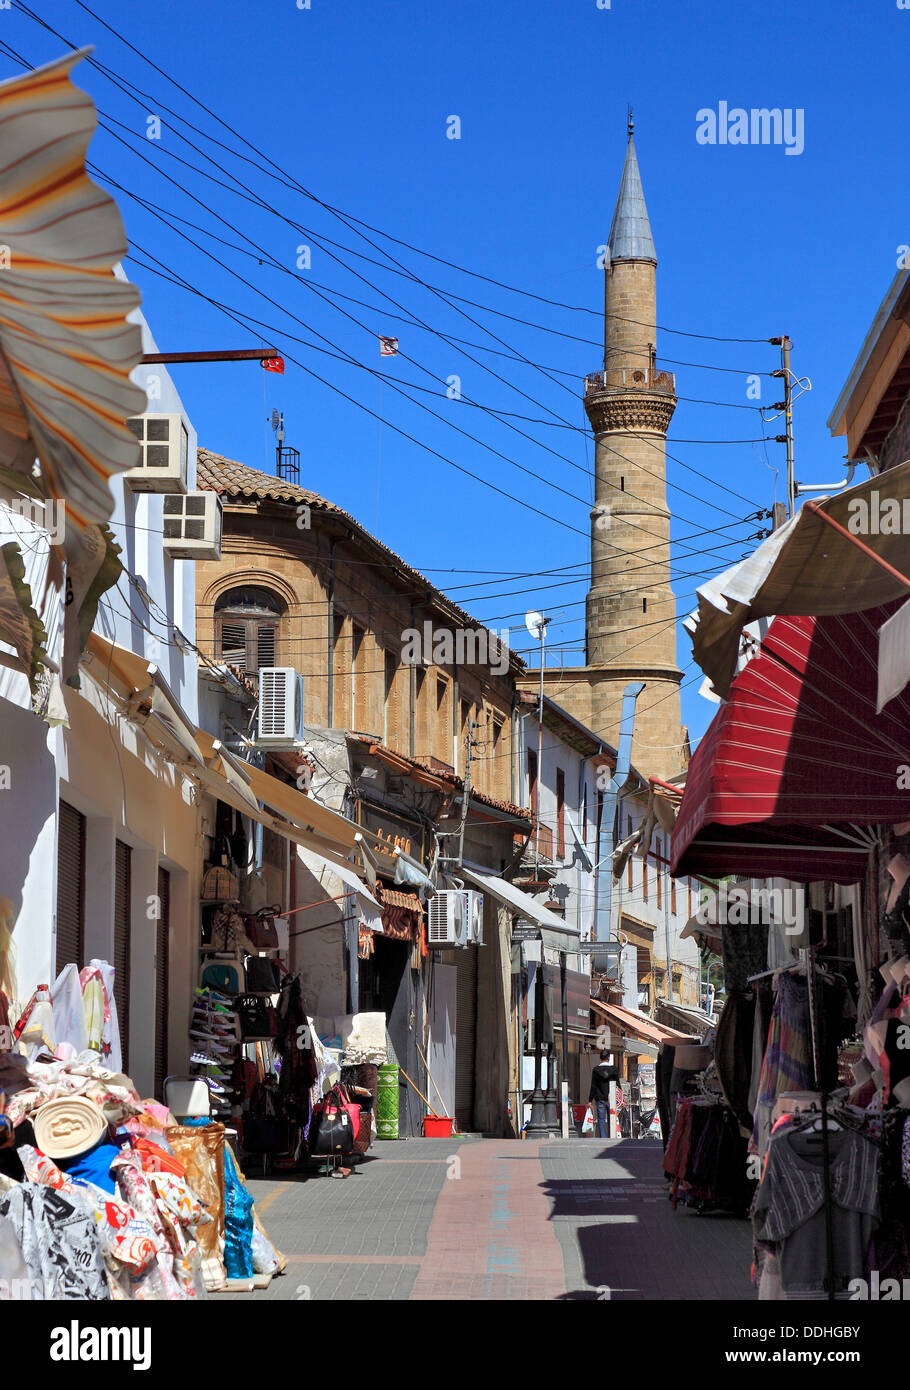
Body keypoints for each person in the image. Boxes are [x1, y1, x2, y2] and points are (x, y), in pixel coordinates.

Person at [588, 1052, 620, 1138]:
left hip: (600, 1098)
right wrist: (621, 1099)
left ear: (600, 1058)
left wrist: (590, 1100)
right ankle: (612, 1136)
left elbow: (593, 1085)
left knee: (601, 1120)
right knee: (612, 1119)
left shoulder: (596, 1070)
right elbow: (618, 1084)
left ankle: (603, 1138)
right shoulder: (614, 1069)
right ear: (608, 1058)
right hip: (611, 1099)